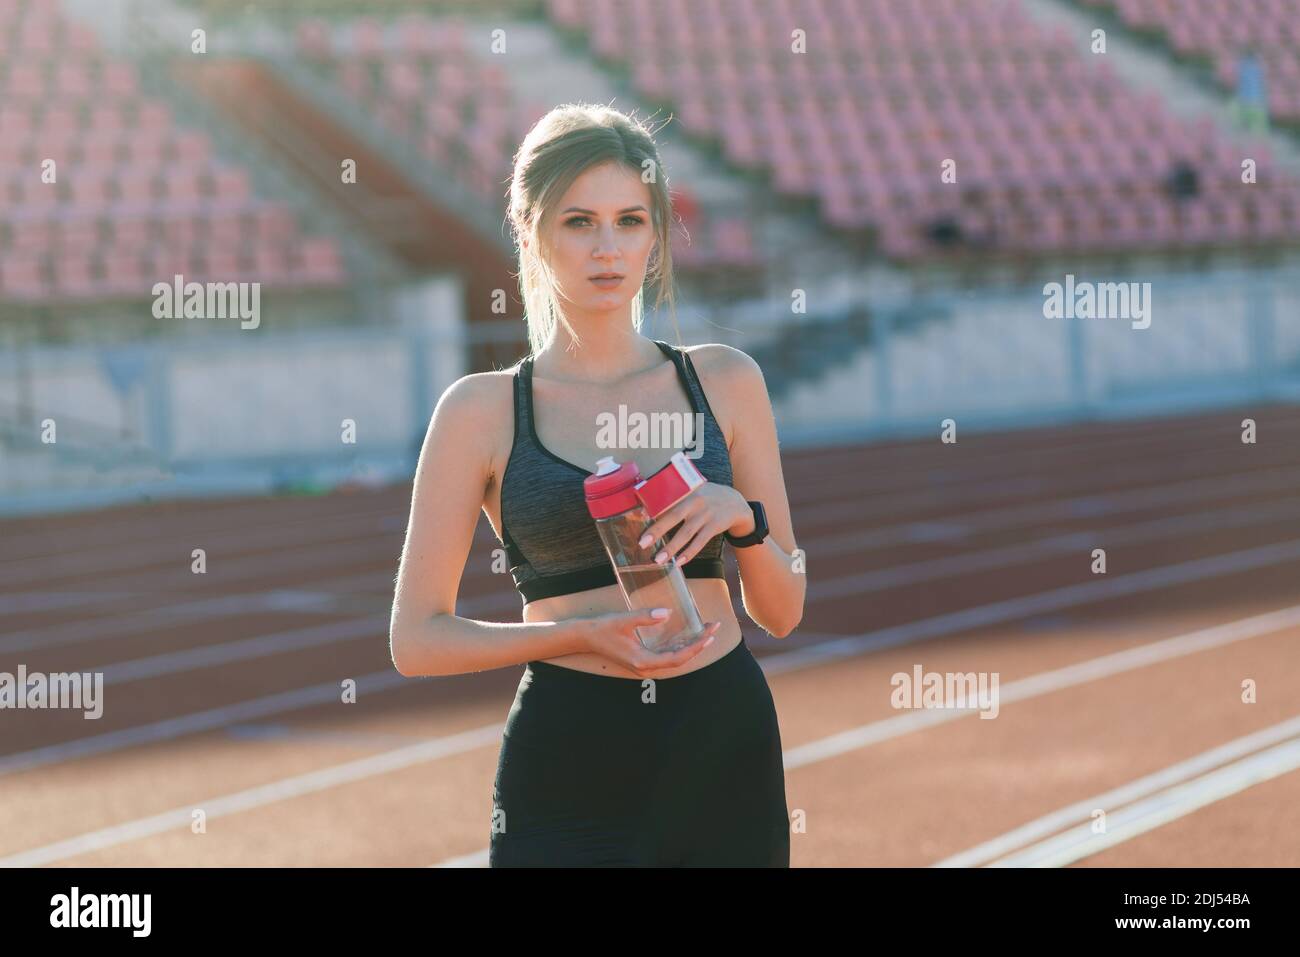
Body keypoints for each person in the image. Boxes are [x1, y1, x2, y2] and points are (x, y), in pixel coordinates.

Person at [389, 103, 804, 866]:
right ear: (531, 232)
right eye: (579, 222)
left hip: (720, 741)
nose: (607, 248)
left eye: (630, 220)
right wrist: (581, 634)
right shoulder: (479, 411)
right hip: (567, 754)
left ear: (655, 233)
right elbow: (415, 640)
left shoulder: (727, 381)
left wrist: (742, 519)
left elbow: (784, 607)